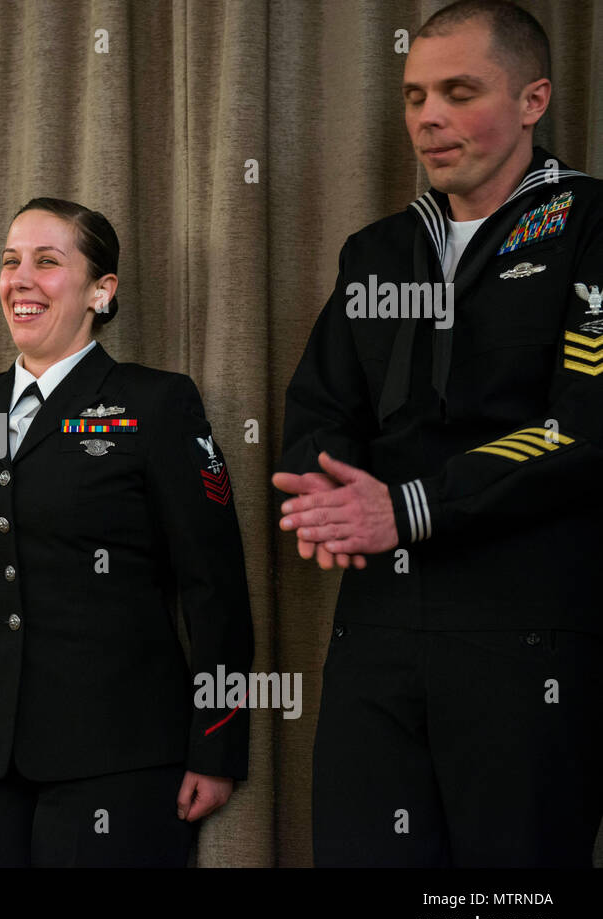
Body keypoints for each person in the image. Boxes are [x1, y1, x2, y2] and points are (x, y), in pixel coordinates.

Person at [274, 0, 603, 866]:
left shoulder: (591, 226)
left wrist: (409, 508)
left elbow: (583, 429)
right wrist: (324, 494)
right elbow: (319, 409)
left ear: (533, 100)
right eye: (416, 94)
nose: (429, 117)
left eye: (460, 92)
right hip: (375, 637)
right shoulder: (376, 250)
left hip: (527, 640)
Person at [0, 197, 253, 867]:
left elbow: (215, 588)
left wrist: (218, 743)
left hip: (119, 756)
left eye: (48, 262)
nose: (20, 279)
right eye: (10, 261)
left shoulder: (158, 403)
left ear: (102, 290)